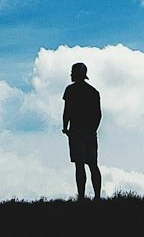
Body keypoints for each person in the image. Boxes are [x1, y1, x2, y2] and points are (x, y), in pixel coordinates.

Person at [61, 60, 102, 200]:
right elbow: (98, 114)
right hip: (90, 132)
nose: (71, 75)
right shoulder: (93, 92)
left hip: (76, 132)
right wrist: (93, 130)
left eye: (72, 72)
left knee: (79, 165)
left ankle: (82, 197)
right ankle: (97, 197)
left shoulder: (70, 90)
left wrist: (65, 127)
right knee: (93, 164)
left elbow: (67, 111)